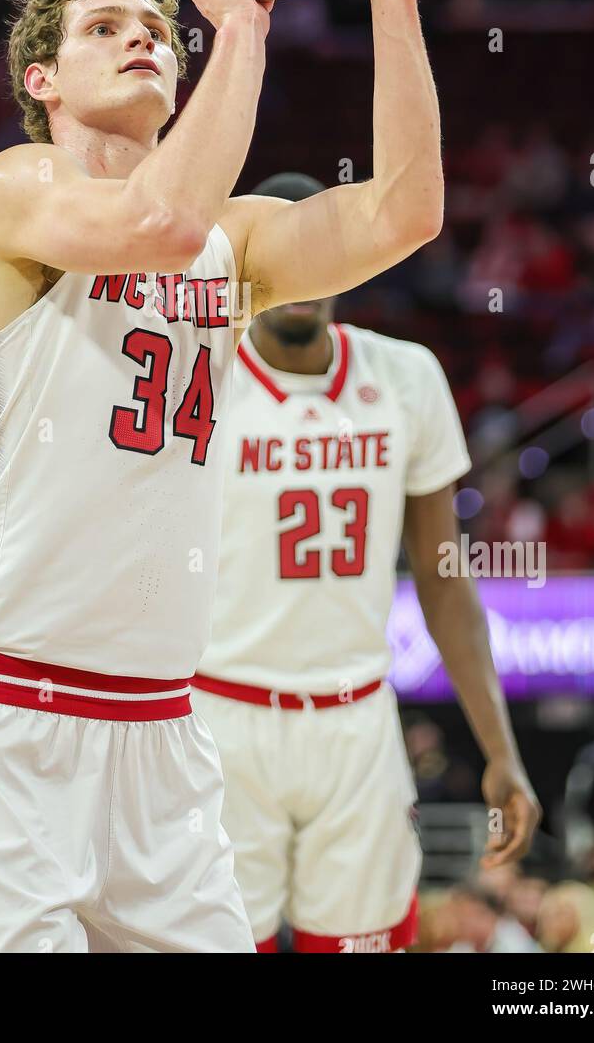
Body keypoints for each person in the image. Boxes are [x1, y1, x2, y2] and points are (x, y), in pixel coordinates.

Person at [0, 0, 445, 953]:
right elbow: (155, 222)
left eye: (155, 27)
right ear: (42, 79)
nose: (141, 37)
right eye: (105, 29)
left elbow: (407, 210)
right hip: (8, 715)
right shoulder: (13, 190)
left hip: (164, 730)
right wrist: (243, 20)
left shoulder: (230, 245)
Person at [192, 173, 540, 952]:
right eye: (281, 252)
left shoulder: (407, 375)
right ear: (245, 263)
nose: (303, 272)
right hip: (218, 718)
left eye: (319, 249)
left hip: (357, 719)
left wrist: (500, 749)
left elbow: (444, 580)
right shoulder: (199, 376)